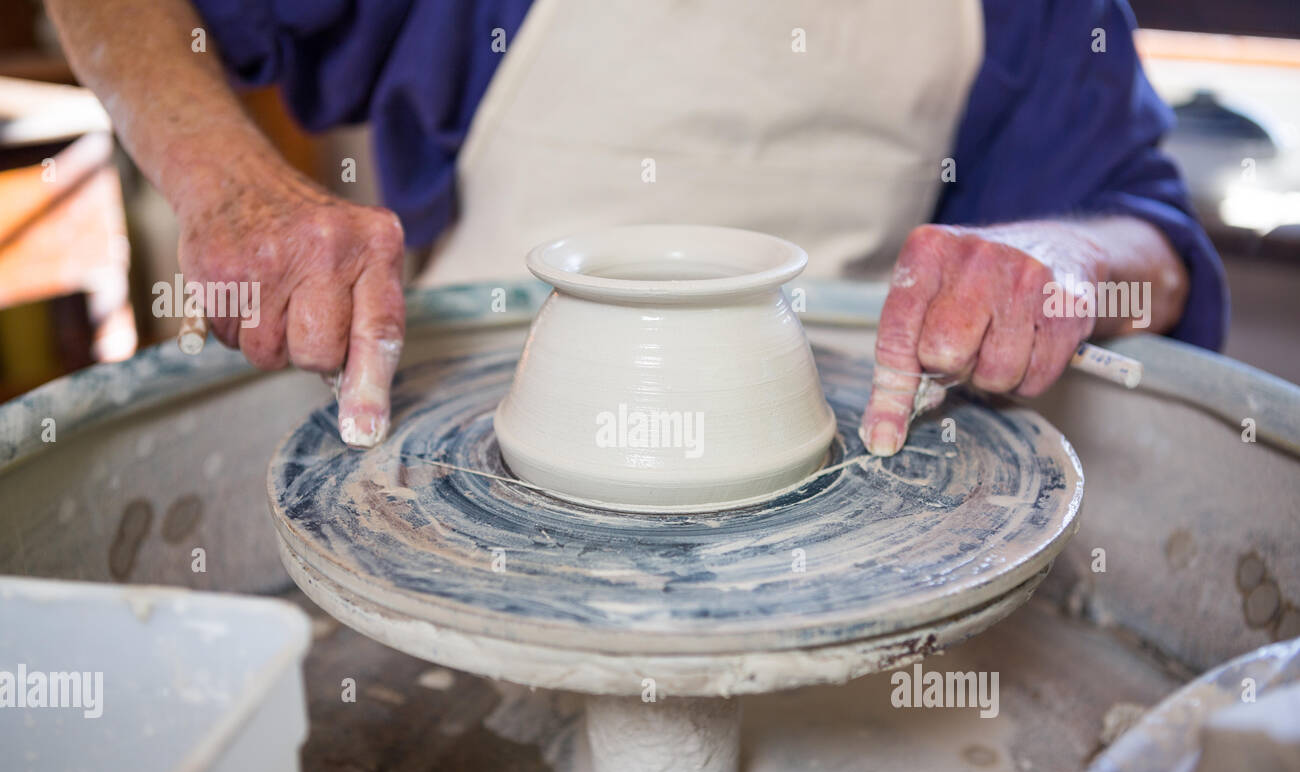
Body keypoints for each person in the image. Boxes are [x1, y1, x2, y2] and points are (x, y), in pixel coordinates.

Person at [46, 0, 1226, 455]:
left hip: (841, 441)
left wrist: (1068, 262)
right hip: (479, 414)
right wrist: (229, 190)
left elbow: (1145, 230)